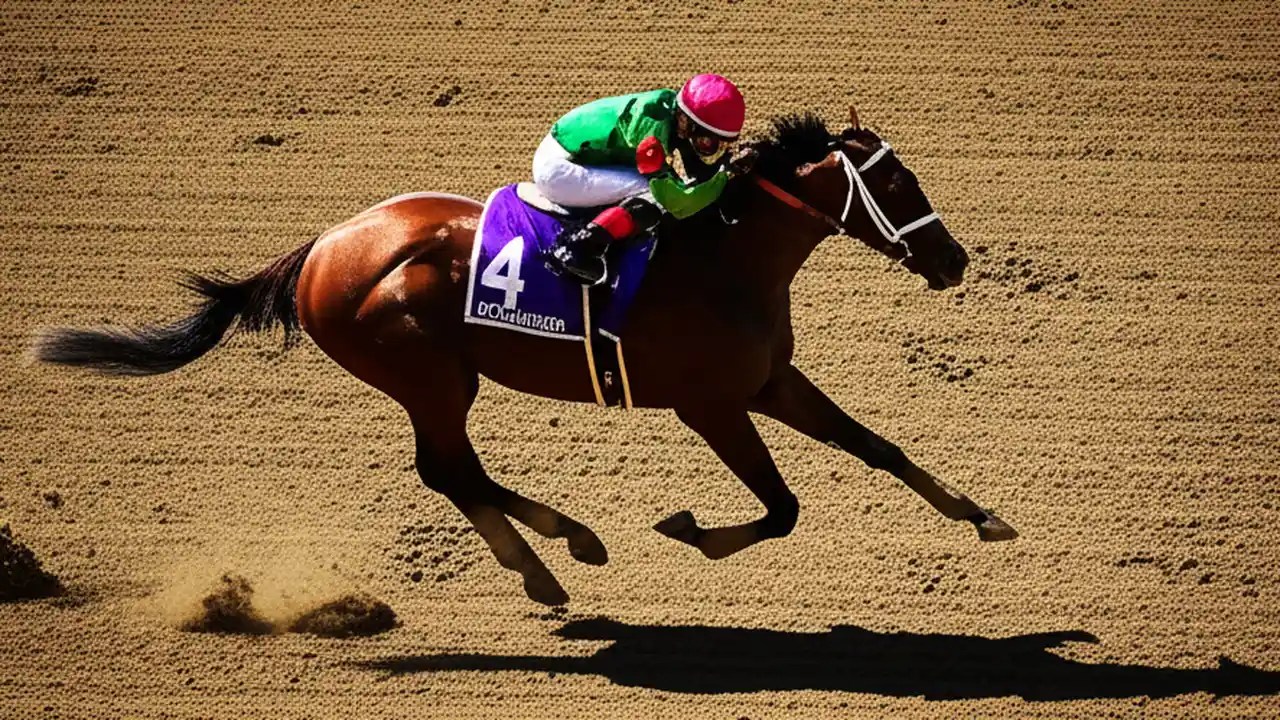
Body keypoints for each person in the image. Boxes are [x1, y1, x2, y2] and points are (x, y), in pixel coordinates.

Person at [533, 74, 747, 285]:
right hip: (560, 169)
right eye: (707, 140)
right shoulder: (650, 128)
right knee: (653, 195)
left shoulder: (675, 115)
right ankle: (580, 247)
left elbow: (697, 173)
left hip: (584, 157)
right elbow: (677, 203)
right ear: (687, 122)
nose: (711, 148)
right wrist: (724, 177)